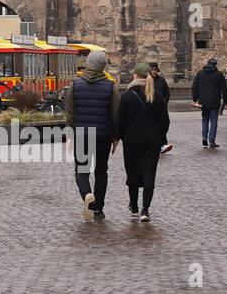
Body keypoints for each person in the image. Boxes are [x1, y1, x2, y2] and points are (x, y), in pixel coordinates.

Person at [66, 49, 118, 220]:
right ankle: (99, 208)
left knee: (82, 170)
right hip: (103, 135)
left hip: (82, 133)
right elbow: (115, 114)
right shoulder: (110, 86)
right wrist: (115, 136)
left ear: (88, 64)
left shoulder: (76, 84)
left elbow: (70, 113)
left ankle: (87, 196)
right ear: (103, 67)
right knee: (101, 171)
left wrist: (70, 134)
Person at [118, 63, 169, 222]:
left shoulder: (126, 96)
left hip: (132, 142)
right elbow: (165, 121)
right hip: (152, 142)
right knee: (149, 174)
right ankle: (145, 210)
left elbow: (120, 121)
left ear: (134, 76)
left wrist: (120, 137)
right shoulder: (157, 96)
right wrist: (159, 138)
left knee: (132, 172)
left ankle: (133, 206)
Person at [191, 57, 227, 149]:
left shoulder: (200, 74)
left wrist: (195, 99)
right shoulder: (219, 75)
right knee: (214, 121)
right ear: (215, 65)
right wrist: (226, 100)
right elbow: (224, 89)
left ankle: (204, 136)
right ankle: (212, 140)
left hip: (203, 101)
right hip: (215, 102)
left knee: (205, 119)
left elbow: (194, 87)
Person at [148, 63, 174, 155]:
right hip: (150, 108)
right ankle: (161, 145)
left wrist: (164, 103)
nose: (154, 71)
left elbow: (167, 93)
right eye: (152, 69)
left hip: (161, 108)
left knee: (164, 124)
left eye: (155, 69)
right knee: (154, 127)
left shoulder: (161, 80)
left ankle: (162, 144)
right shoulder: (147, 81)